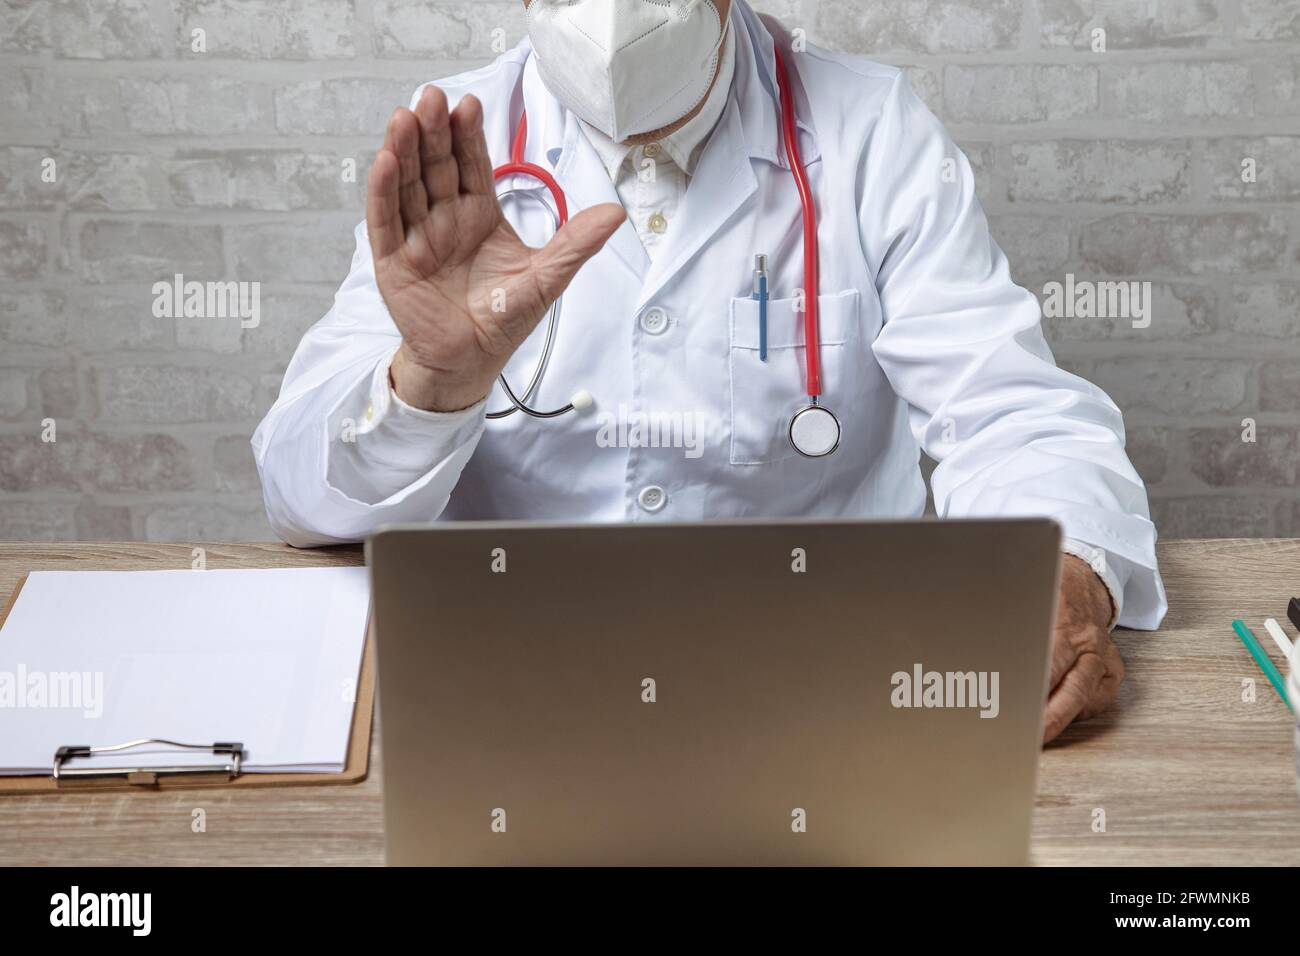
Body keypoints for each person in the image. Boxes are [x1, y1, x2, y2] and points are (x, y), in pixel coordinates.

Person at [252, 0, 1167, 741]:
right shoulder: (451, 145)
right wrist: (430, 381)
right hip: (513, 694)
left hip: (834, 694)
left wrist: (1064, 567)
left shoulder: (870, 127)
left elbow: (1009, 410)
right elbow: (301, 493)